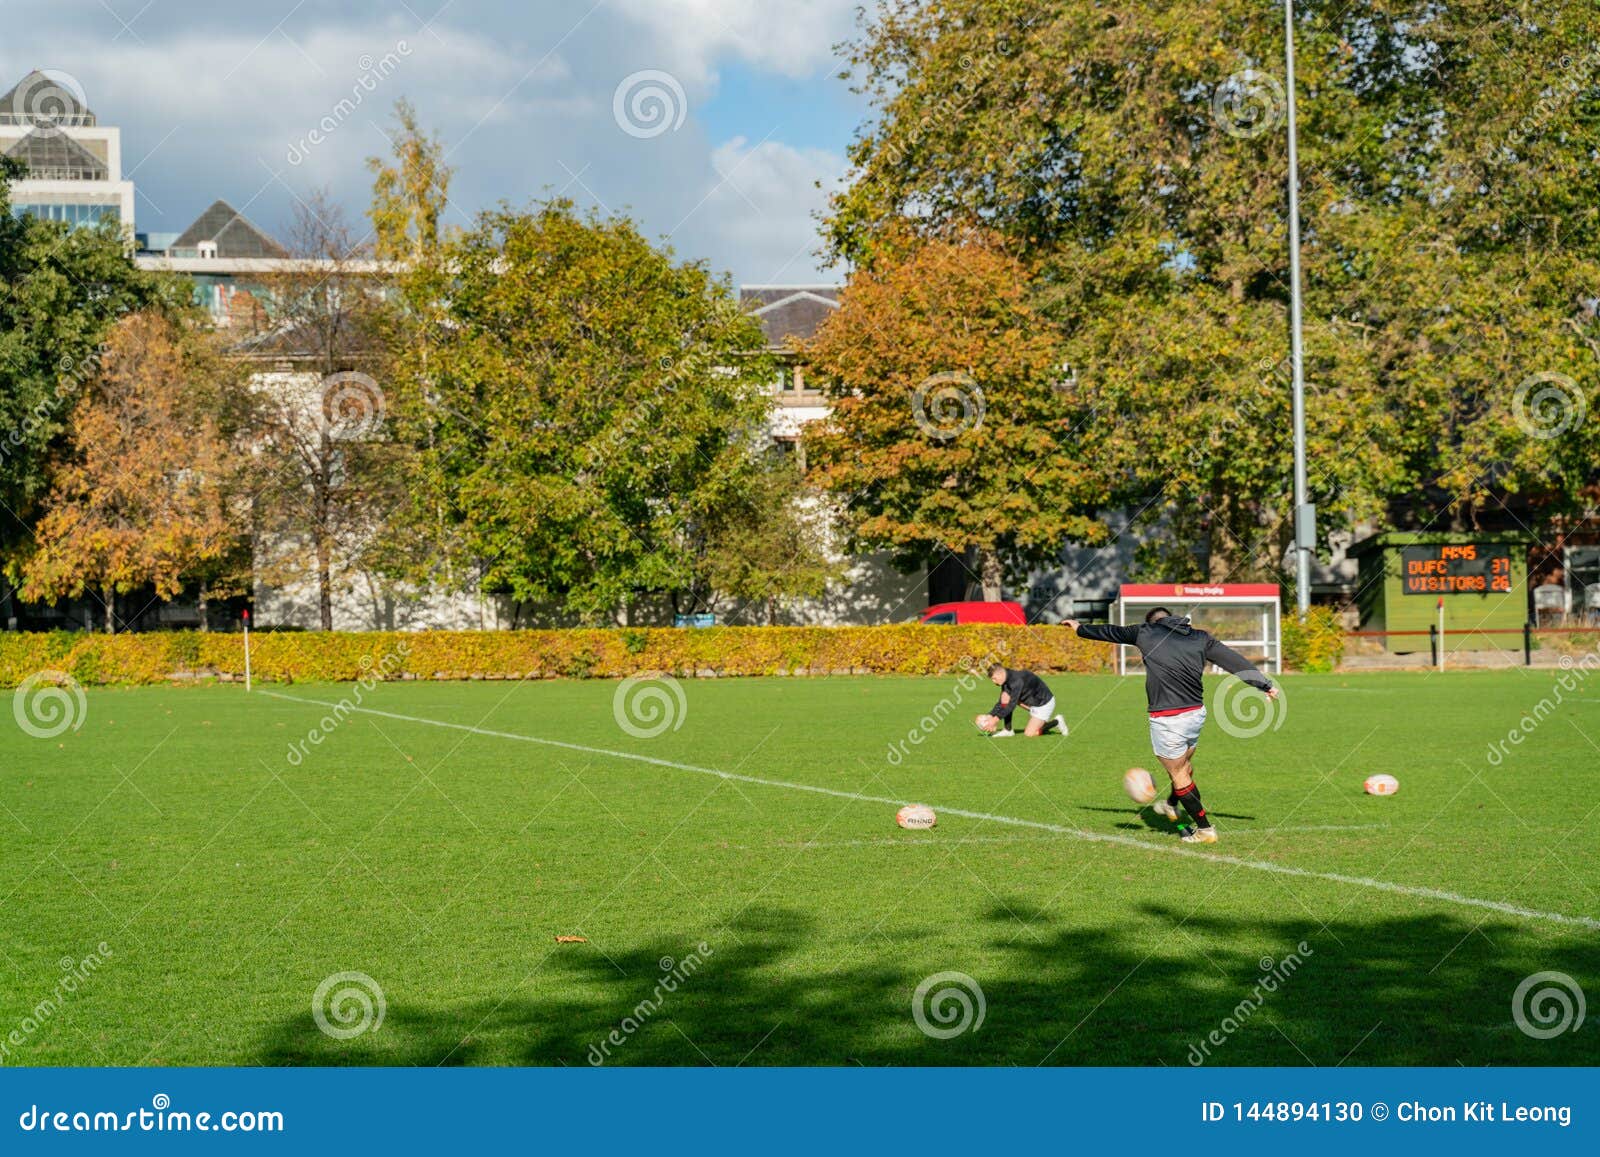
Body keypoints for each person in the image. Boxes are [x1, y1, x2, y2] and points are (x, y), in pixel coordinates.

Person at [1064, 607, 1278, 844]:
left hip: (1167, 717)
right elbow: (1232, 660)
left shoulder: (1145, 632)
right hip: (1196, 714)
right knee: (1183, 766)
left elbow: (1112, 632)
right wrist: (1263, 684)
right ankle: (1170, 805)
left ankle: (1205, 830)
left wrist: (1080, 628)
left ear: (1152, 623)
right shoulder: (1200, 637)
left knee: (1178, 772)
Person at [975, 664, 1068, 738]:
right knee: (1005, 696)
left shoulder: (1016, 681)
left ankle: (1057, 721)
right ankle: (1008, 730)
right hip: (1031, 702)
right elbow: (1002, 701)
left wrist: (994, 720)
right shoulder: (1006, 677)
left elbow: (1011, 705)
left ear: (1000, 674)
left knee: (1030, 733)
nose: (993, 682)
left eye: (994, 678)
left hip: (1043, 704)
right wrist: (990, 715)